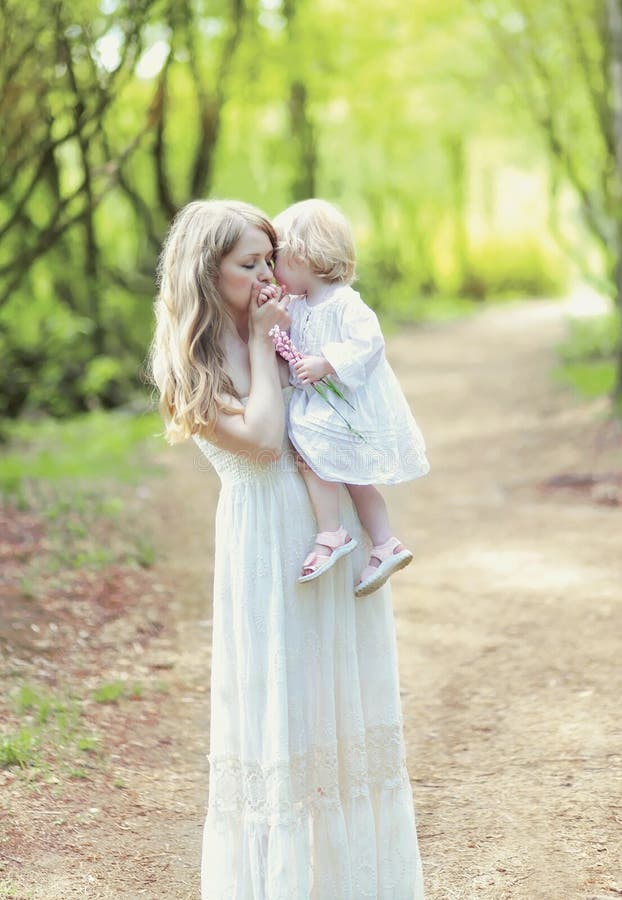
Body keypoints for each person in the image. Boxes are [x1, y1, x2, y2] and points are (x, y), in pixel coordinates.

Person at [149, 198, 425, 899]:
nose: (268, 274)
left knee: (341, 698)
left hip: (330, 534)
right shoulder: (192, 360)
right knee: (283, 713)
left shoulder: (290, 319)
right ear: (206, 272)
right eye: (249, 264)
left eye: (271, 258)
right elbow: (265, 440)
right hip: (266, 542)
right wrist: (269, 349)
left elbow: (352, 379)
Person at [272, 198, 429, 596]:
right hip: (325, 403)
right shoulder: (297, 304)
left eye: (277, 259)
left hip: (343, 405)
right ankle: (385, 544)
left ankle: (332, 533)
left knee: (308, 449)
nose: (272, 270)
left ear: (302, 255)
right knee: (355, 480)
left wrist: (325, 362)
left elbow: (369, 342)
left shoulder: (343, 302)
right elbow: (286, 344)